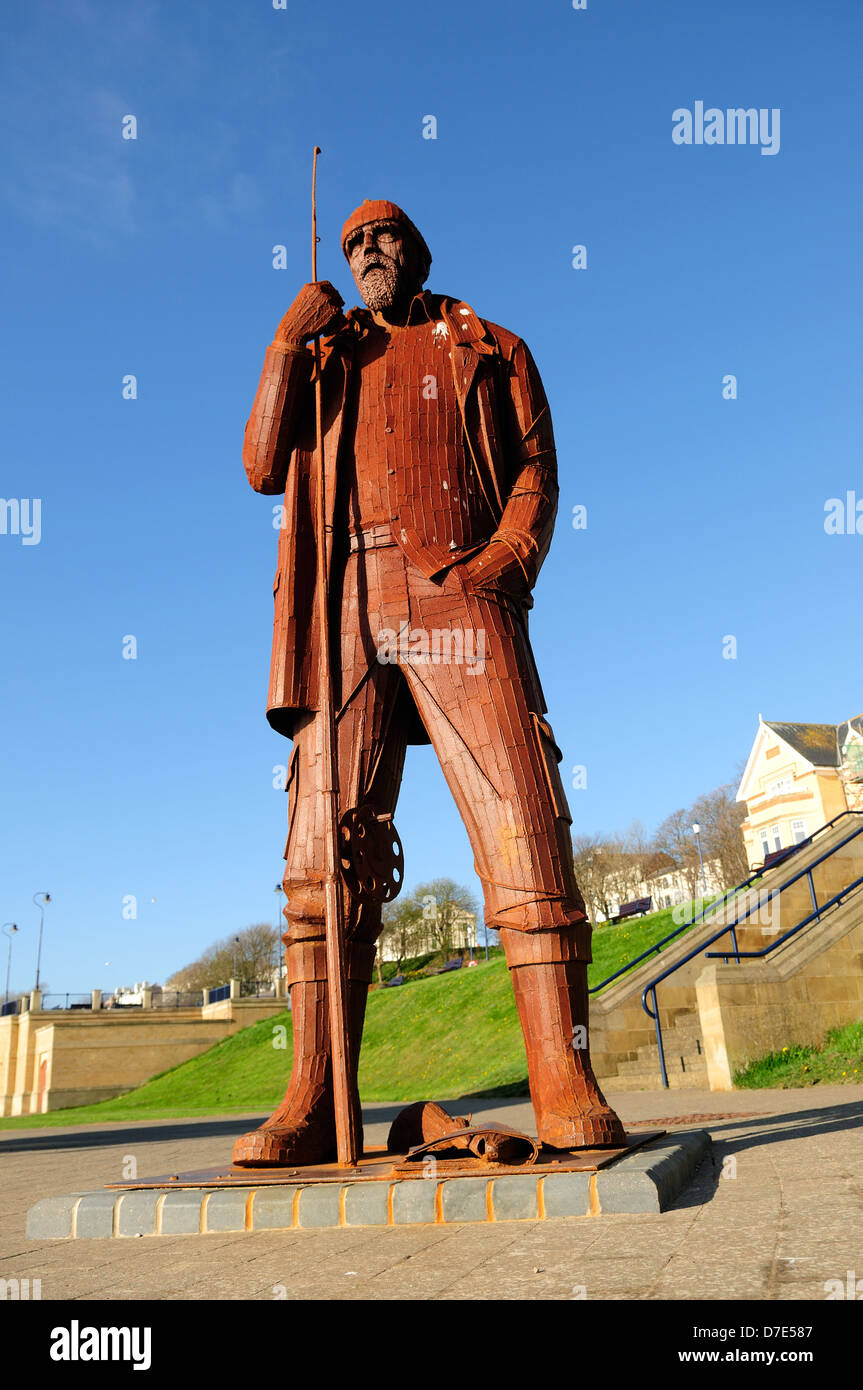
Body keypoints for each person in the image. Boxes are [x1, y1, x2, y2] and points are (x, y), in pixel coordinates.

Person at [233, 199, 624, 1165]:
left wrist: (500, 565)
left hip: (454, 586)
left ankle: (562, 1079)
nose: (369, 250)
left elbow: (537, 466)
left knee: (523, 818)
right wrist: (285, 346)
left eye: (387, 235)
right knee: (319, 860)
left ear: (419, 249)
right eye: (356, 239)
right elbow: (258, 465)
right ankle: (314, 1099)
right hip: (346, 605)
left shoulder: (490, 344)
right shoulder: (324, 351)